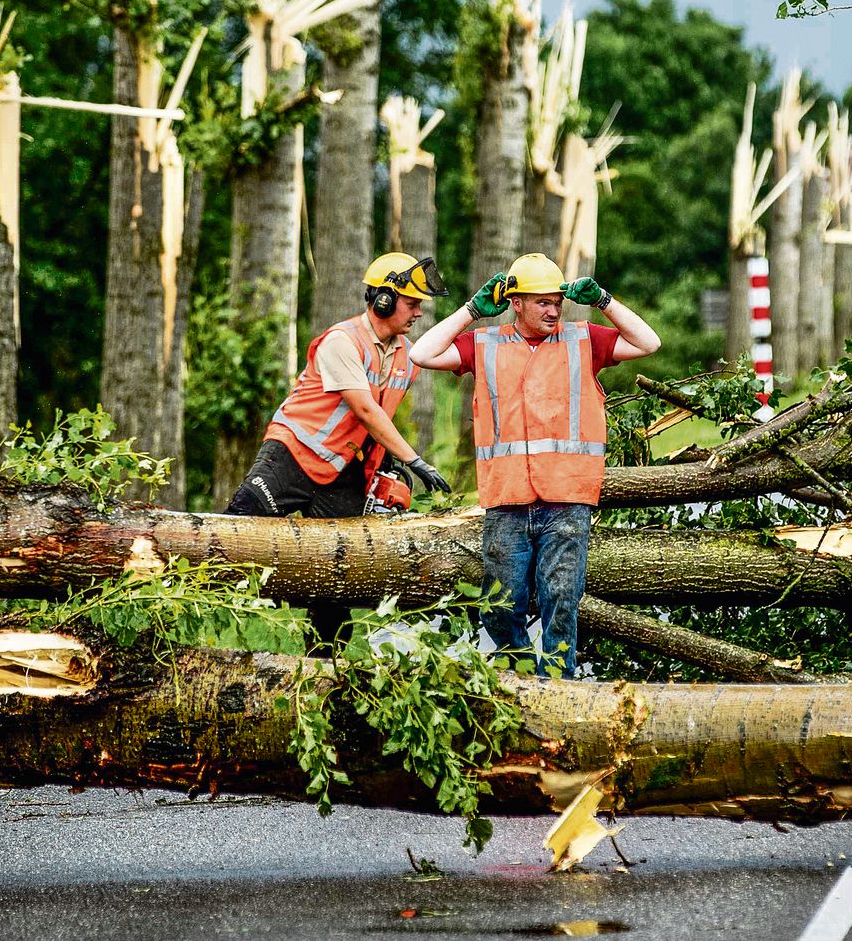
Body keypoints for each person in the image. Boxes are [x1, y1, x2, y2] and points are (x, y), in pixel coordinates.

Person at [409, 253, 660, 677]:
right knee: (500, 607)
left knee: (561, 598)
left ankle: (558, 684)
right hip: (506, 498)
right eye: (541, 302)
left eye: (556, 301)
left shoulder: (583, 339)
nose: (552, 310)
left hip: (567, 497)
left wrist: (604, 300)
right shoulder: (484, 344)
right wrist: (470, 310)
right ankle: (525, 679)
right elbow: (421, 352)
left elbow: (648, 343)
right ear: (515, 303)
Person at [225, 252, 454, 518]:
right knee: (239, 524)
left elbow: (379, 418)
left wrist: (383, 460)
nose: (419, 312)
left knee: (345, 554)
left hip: (342, 468)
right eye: (412, 303)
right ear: (384, 301)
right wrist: (414, 460)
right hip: (292, 454)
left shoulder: (409, 355)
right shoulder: (342, 341)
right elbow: (366, 410)